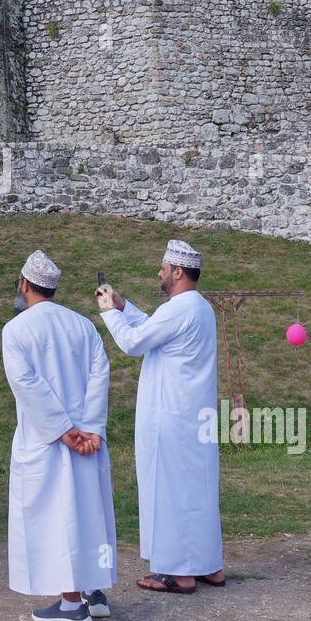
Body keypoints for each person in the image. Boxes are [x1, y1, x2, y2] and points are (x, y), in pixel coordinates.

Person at [96, 240, 224, 593]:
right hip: (195, 417)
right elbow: (155, 328)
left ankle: (178, 573)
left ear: (178, 272)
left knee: (170, 492)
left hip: (171, 419)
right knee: (199, 491)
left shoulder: (179, 309)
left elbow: (134, 343)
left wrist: (108, 311)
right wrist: (124, 306)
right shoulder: (200, 308)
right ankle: (209, 566)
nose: (159, 273)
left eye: (163, 268)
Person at [3, 249, 117, 621]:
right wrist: (90, 429)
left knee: (59, 518)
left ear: (24, 284)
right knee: (89, 510)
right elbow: (100, 374)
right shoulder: (83, 325)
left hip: (48, 441)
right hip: (85, 441)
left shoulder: (16, 330)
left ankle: (72, 605)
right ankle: (93, 592)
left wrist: (65, 431)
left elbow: (27, 386)